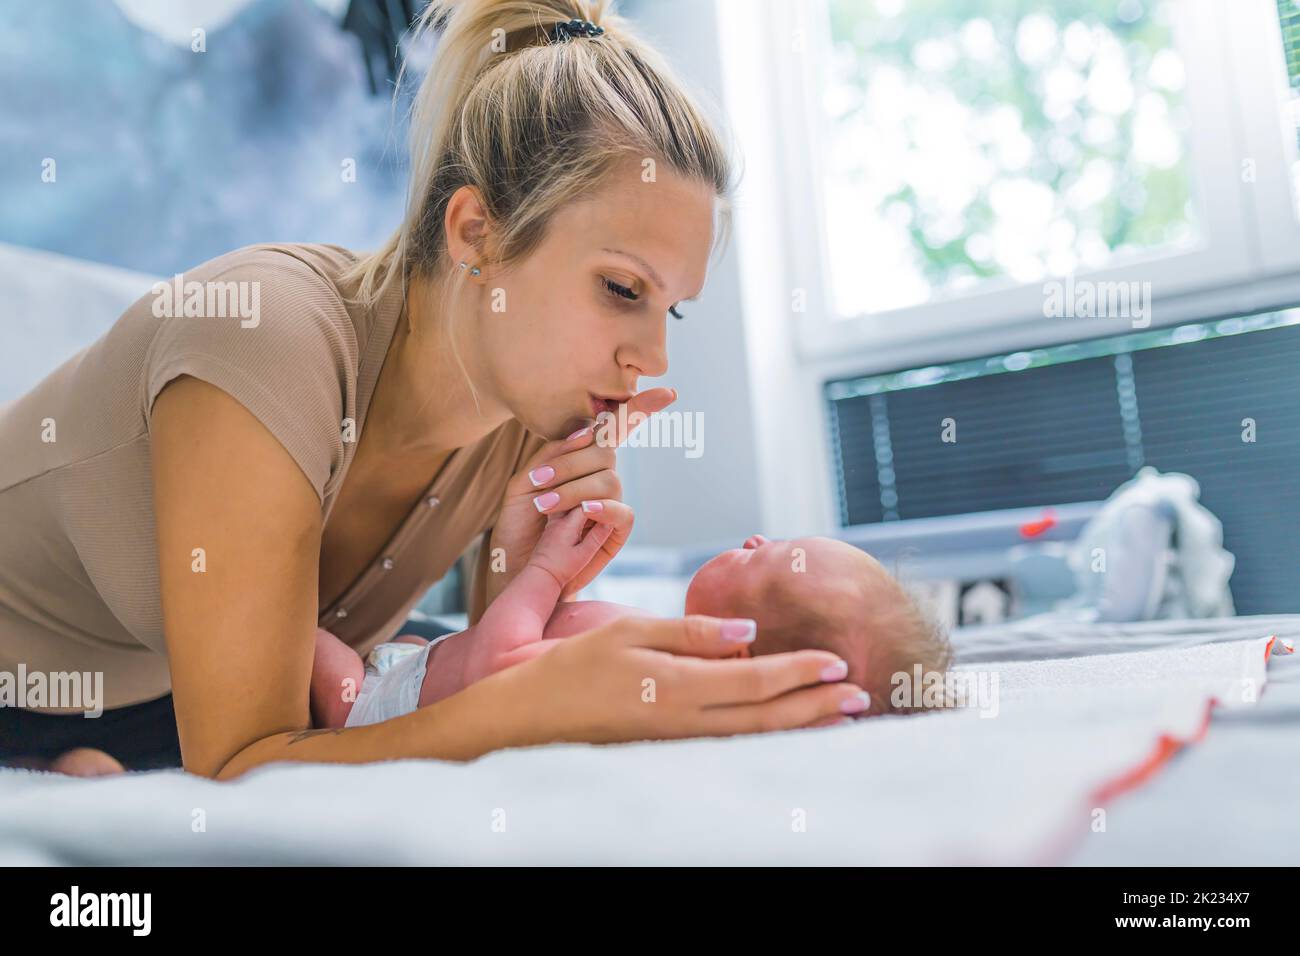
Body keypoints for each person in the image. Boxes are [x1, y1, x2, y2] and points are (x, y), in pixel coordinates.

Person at [0, 0, 867, 779]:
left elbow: (471, 693)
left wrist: (537, 581)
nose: (652, 359)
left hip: (156, 713)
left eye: (669, 312)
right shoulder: (264, 335)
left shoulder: (531, 419)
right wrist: (530, 711)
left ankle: (75, 766)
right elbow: (243, 771)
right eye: (620, 289)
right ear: (476, 231)